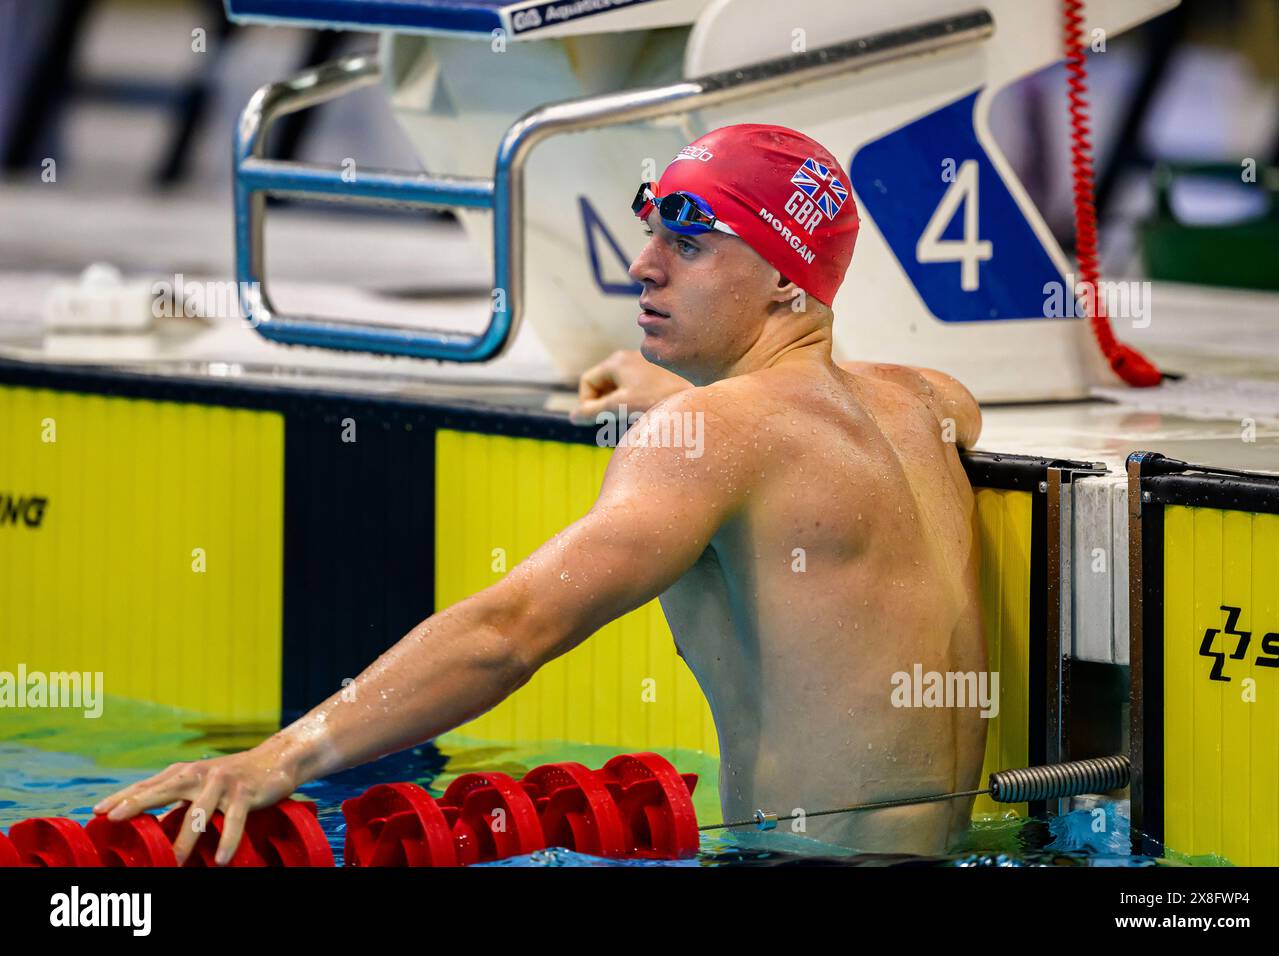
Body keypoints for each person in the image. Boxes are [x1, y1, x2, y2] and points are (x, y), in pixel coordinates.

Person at [94, 124, 986, 863]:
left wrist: (279, 758)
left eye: (688, 244)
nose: (643, 267)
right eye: (652, 236)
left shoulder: (709, 440)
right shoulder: (924, 404)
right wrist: (697, 388)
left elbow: (509, 632)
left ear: (788, 282)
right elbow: (867, 399)